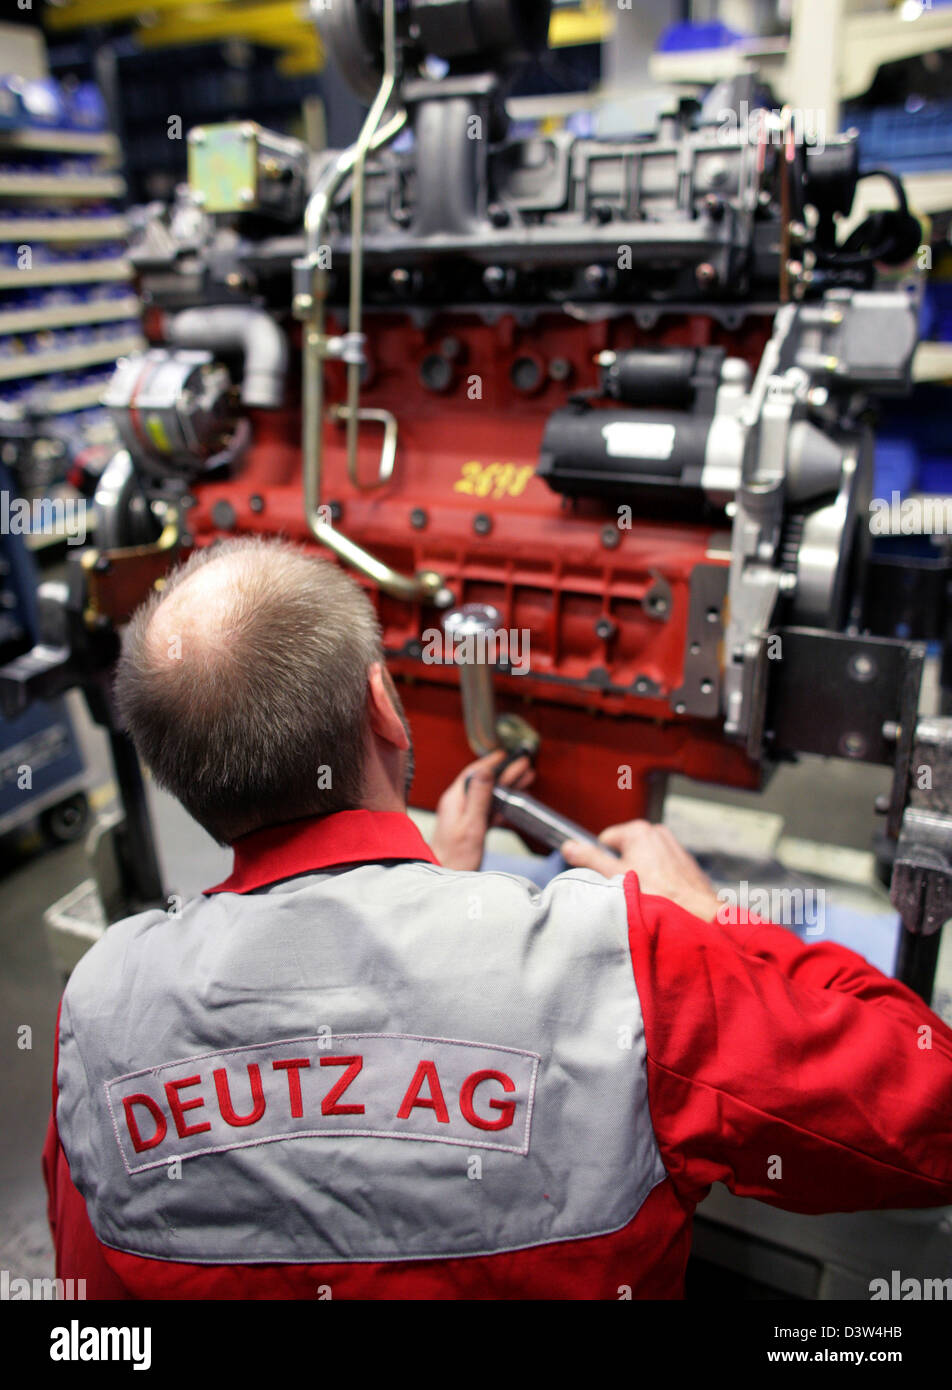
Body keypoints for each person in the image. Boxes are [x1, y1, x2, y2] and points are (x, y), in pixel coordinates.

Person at [44, 537, 952, 1299]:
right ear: (383, 709)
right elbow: (929, 1111)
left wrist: (426, 887)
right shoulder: (624, 966)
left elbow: (93, 1291)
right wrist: (708, 920)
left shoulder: (100, 1008)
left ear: (174, 769)